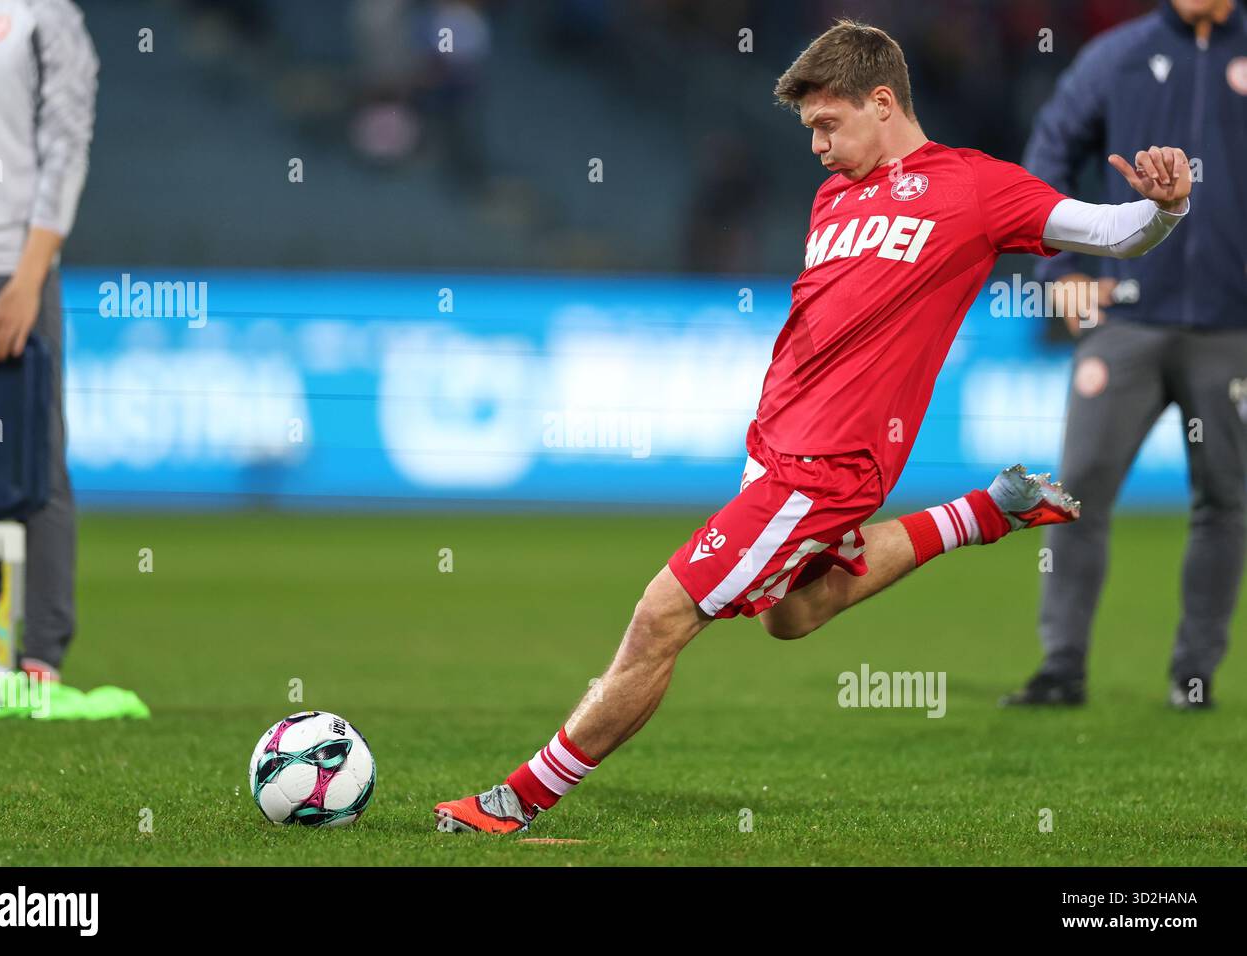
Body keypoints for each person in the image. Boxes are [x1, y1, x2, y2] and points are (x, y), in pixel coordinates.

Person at [433, 19, 1191, 833]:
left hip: (825, 466)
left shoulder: (975, 188)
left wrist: (1165, 207)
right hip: (772, 454)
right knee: (791, 616)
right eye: (810, 131)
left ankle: (520, 798)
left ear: (882, 101)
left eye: (828, 124)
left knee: (663, 615)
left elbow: (1112, 231)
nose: (818, 146)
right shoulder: (834, 194)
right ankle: (988, 510)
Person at [1005, 0, 1246, 710]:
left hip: (1233, 329)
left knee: (1226, 503)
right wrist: (1060, 273)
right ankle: (1061, 666)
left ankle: (1194, 676)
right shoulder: (1118, 56)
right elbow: (1047, 153)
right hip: (1127, 318)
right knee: (1076, 489)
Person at [0, 0, 99, 682]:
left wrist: (29, 275)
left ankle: (35, 652)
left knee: (26, 459)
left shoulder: (44, 14)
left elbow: (67, 141)